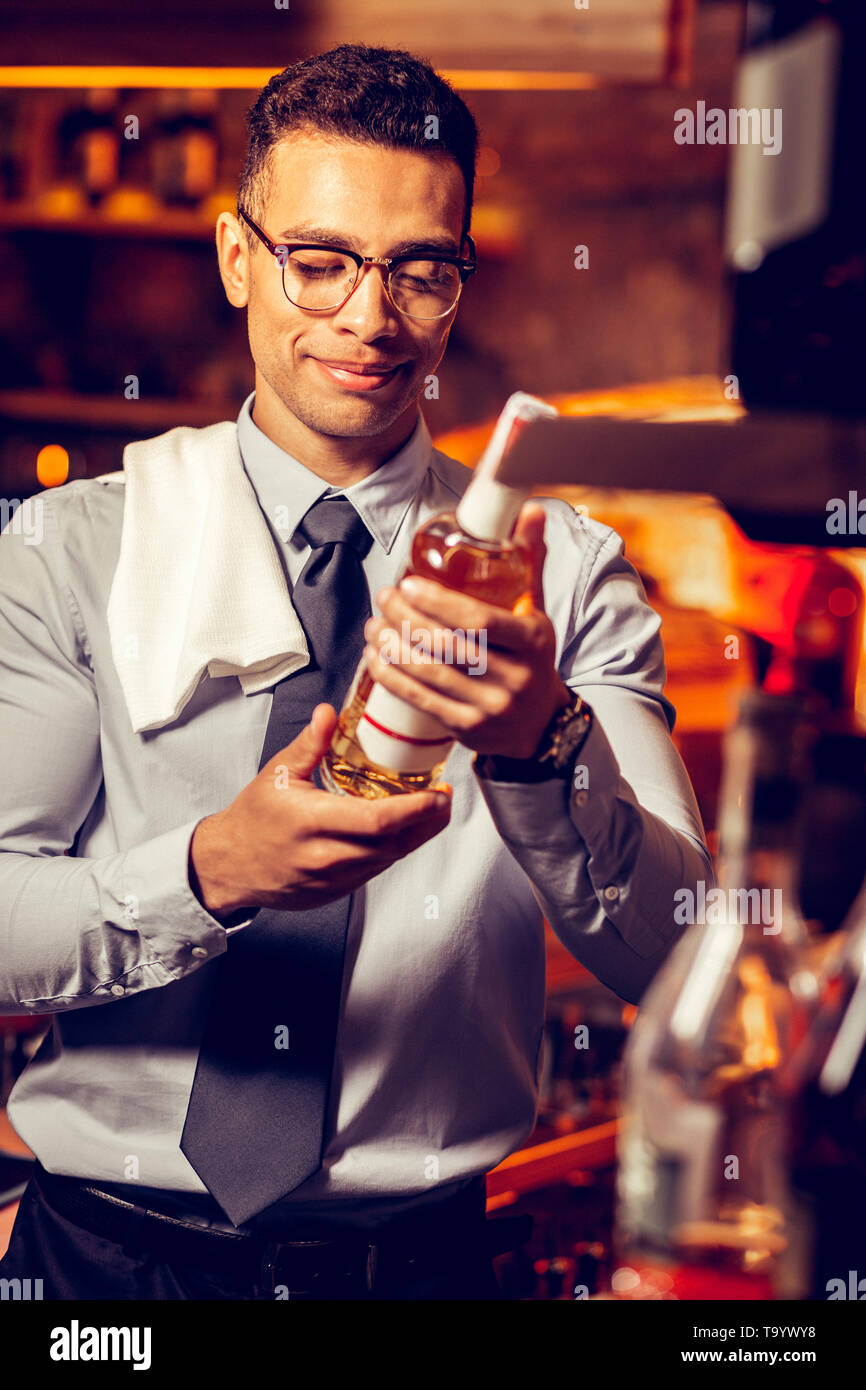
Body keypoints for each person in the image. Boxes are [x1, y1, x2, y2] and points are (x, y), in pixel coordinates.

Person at [0, 43, 710, 1301]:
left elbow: (684, 959)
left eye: (418, 271)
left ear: (458, 281)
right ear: (236, 257)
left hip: (419, 1270)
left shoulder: (562, 576)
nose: (368, 319)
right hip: (103, 1269)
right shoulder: (69, 551)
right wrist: (214, 869)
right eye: (317, 262)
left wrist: (542, 743)